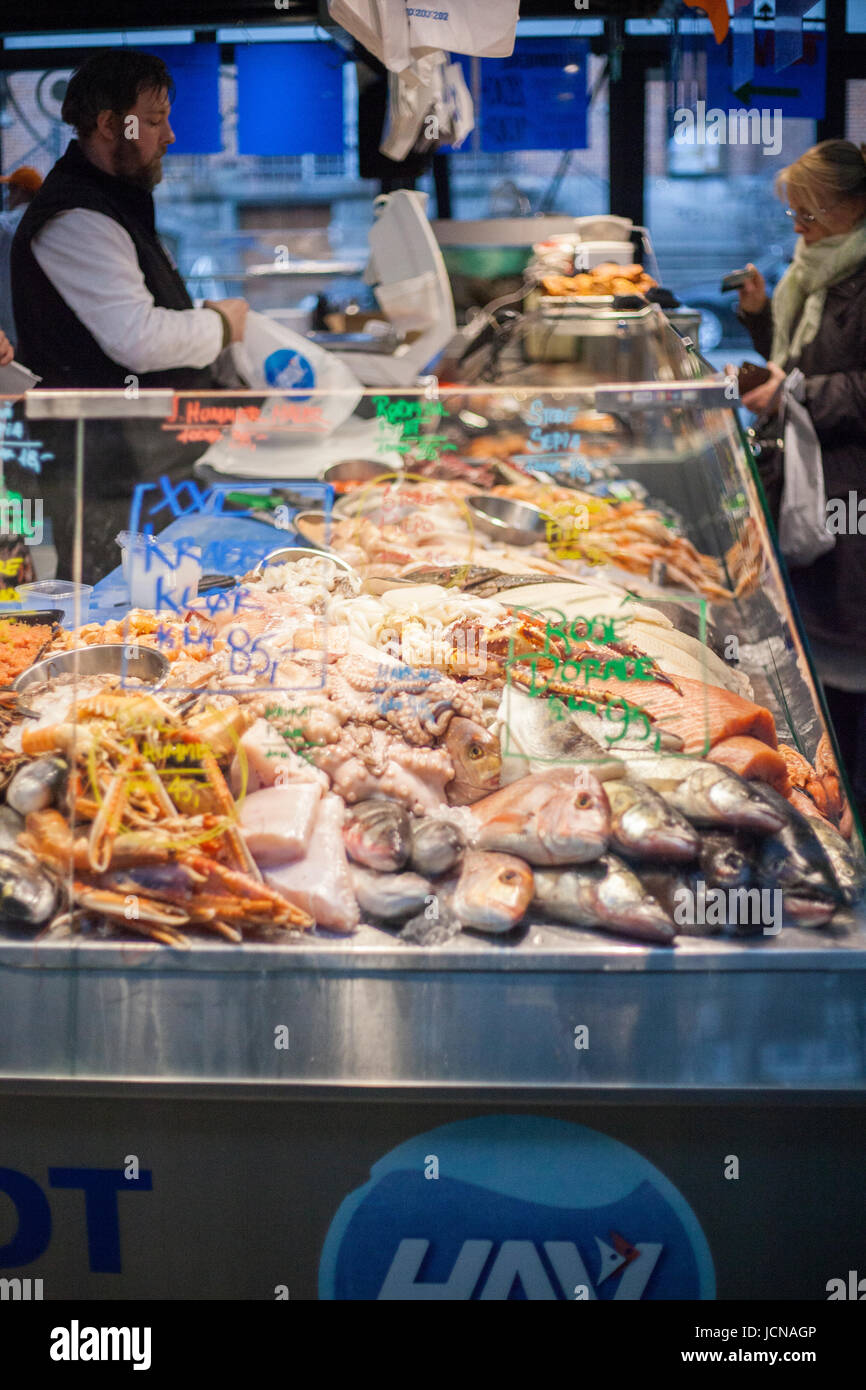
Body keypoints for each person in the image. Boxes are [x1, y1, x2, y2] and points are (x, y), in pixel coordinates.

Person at [9, 50, 250, 583]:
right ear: (110, 124)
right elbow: (136, 339)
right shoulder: (75, 219)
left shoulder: (112, 204)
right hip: (109, 475)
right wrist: (222, 324)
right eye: (157, 121)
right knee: (120, 617)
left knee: (172, 611)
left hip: (145, 463)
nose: (169, 137)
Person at [736, 139, 866, 821]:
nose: (800, 232)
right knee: (820, 649)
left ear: (853, 206)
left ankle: (852, 811)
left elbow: (838, 382)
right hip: (807, 483)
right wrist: (761, 318)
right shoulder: (817, 270)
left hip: (850, 493)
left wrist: (801, 391)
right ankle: (831, 786)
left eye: (809, 217)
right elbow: (800, 361)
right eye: (792, 218)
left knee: (851, 648)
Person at [0, 166, 42, 351]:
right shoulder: (49, 223)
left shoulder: (6, 225)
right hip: (37, 330)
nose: (7, 196)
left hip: (7, 329)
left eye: (11, 190)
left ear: (22, 191)